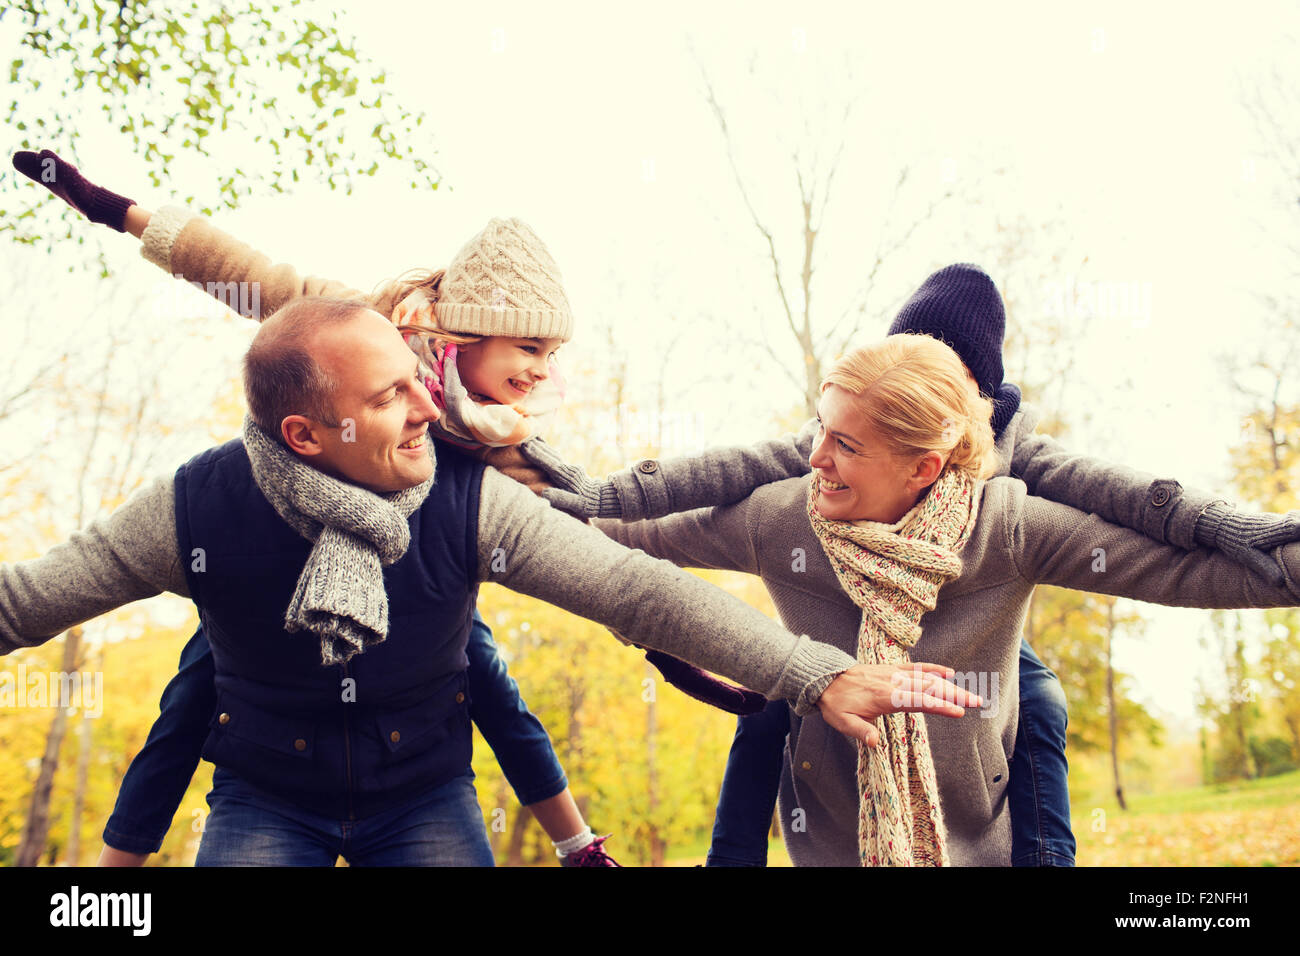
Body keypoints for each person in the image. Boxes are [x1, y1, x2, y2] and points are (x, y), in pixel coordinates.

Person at [0, 294, 984, 865]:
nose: (424, 410)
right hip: (266, 794)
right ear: (306, 434)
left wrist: (814, 671)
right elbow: (27, 602)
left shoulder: (469, 504)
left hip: (422, 790)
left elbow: (638, 590)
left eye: (415, 381)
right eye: (387, 397)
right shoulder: (193, 511)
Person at [11, 146, 745, 866]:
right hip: (286, 543)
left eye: (552, 355)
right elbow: (237, 270)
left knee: (479, 669)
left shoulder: (507, 439)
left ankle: (575, 841)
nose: (539, 373)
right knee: (203, 686)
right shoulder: (360, 329)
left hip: (417, 575)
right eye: (528, 347)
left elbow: (597, 561)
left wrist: (673, 650)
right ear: (466, 333)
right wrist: (109, 208)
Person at [523, 262, 1300, 865]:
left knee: (1044, 706)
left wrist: (1269, 551)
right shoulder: (781, 514)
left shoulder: (1009, 522)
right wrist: (506, 496)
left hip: (978, 844)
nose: (814, 459)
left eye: (845, 447)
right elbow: (631, 543)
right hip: (829, 844)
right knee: (763, 712)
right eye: (820, 434)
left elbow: (1175, 562)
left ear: (927, 465)